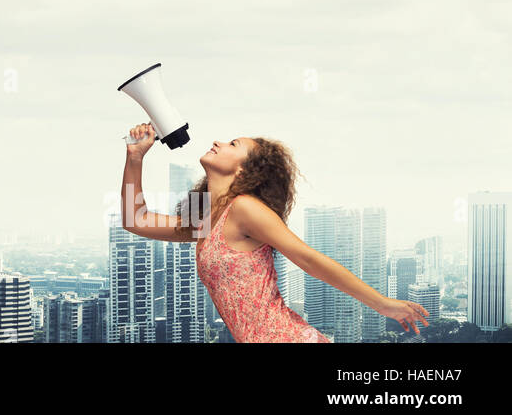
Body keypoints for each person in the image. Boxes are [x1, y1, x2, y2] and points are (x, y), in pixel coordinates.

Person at [120, 123, 429, 342]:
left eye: (232, 145)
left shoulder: (244, 209)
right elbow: (136, 219)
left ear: (244, 170)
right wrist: (135, 157)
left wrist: (381, 303)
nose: (217, 142)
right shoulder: (205, 217)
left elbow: (308, 259)